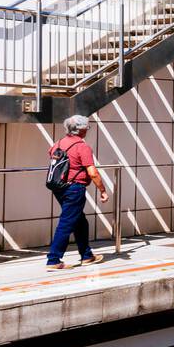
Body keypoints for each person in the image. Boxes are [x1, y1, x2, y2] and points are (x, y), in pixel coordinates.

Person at [46, 115, 109, 269]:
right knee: (67, 222)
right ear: (80, 129)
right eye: (87, 127)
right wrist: (103, 190)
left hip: (59, 187)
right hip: (74, 189)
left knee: (79, 221)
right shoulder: (82, 146)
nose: (87, 130)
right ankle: (53, 259)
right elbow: (93, 173)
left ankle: (87, 255)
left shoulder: (58, 144)